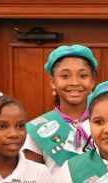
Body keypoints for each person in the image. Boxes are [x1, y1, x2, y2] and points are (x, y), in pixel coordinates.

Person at [24, 44, 96, 173]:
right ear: (53, 82)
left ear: (92, 81)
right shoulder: (37, 129)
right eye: (65, 76)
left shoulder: (105, 122)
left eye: (83, 76)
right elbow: (32, 180)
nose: (74, 82)